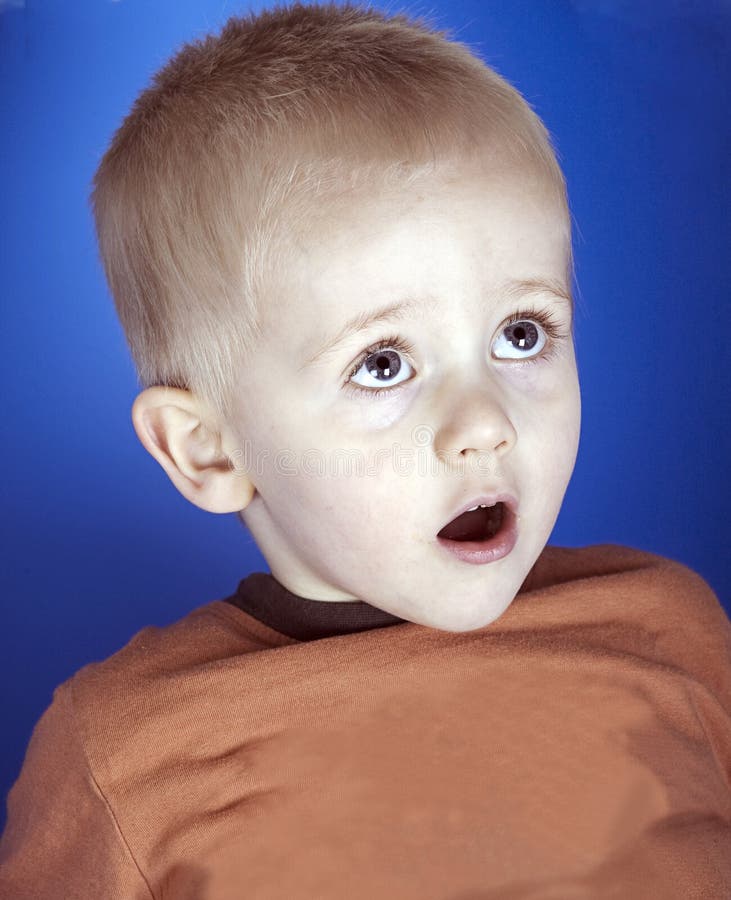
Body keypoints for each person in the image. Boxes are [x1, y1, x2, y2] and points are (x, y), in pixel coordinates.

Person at [1, 3, 729, 897]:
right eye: (383, 364)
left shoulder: (672, 635)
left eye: (521, 333)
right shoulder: (120, 754)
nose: (484, 422)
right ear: (208, 453)